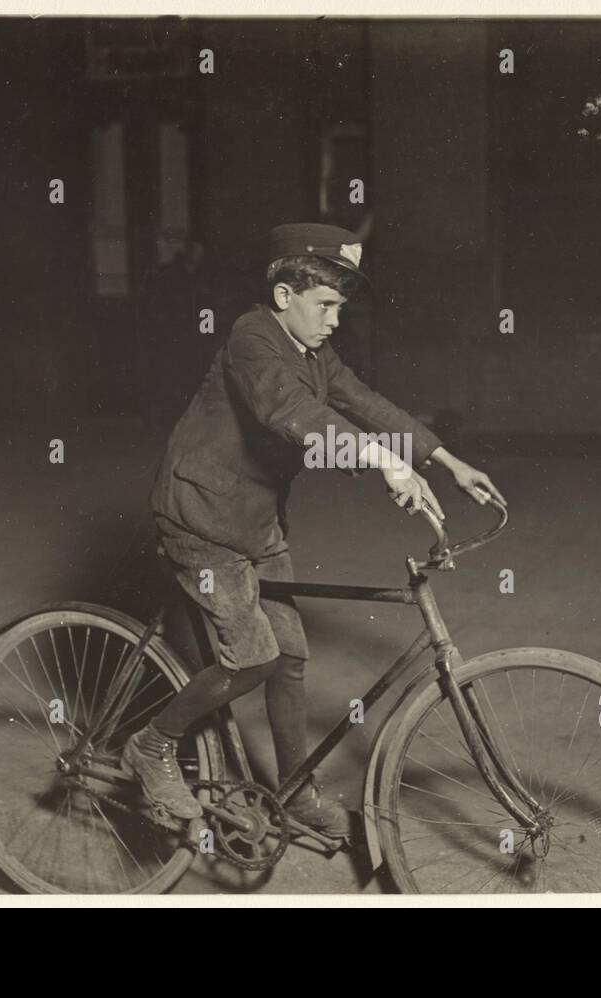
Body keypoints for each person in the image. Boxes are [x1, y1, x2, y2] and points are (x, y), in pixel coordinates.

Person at [123, 222, 506, 837]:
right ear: (284, 297)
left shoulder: (315, 353)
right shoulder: (253, 339)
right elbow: (290, 412)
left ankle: (294, 793)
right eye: (324, 305)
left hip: (256, 520)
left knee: (291, 659)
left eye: (339, 307)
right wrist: (384, 462)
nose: (334, 320)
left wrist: (446, 461)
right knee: (252, 659)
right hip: (201, 521)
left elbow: (367, 405)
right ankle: (151, 745)